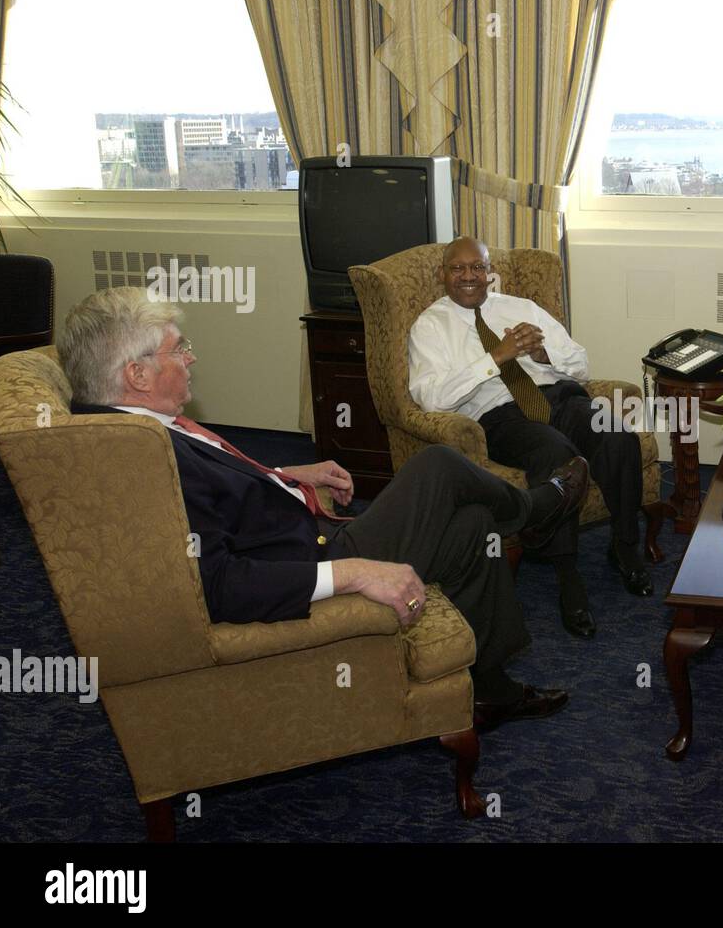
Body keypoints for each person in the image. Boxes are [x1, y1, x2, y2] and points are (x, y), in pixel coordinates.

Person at [59, 287, 587, 731]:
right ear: (138, 375)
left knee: (473, 525)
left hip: (301, 534)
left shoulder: (141, 430)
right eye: (179, 349)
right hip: (312, 559)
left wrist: (282, 476)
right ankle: (538, 508)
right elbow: (216, 584)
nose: (191, 356)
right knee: (441, 467)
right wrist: (351, 573)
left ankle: (489, 689)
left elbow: (218, 502)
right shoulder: (139, 456)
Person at [406, 236, 652, 640]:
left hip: (559, 399)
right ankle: (568, 575)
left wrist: (544, 357)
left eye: (477, 268)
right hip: (501, 416)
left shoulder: (522, 308)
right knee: (558, 456)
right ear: (442, 275)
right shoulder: (430, 326)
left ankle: (625, 546)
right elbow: (431, 398)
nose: (469, 276)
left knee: (617, 436)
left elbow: (582, 364)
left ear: (490, 273)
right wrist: (496, 357)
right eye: (458, 268)